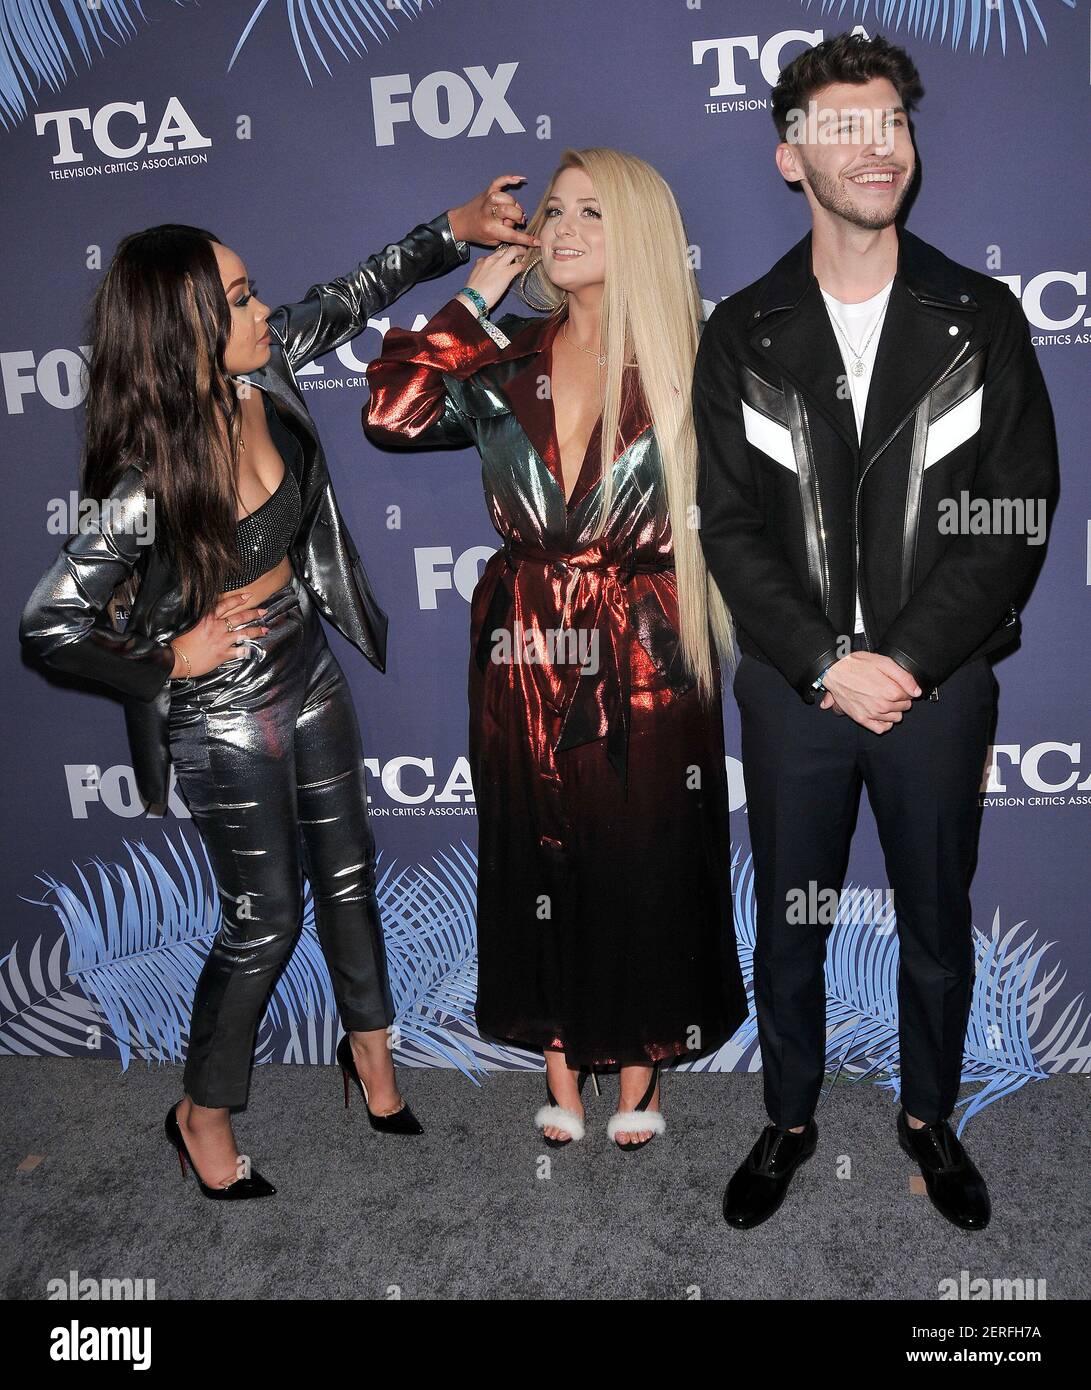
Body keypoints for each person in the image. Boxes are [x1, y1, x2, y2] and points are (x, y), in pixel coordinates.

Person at [19, 178, 537, 1198]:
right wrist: (170, 658)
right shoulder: (150, 481)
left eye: (256, 297)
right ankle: (199, 1111)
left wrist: (452, 231)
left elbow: (352, 293)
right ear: (189, 338)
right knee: (265, 917)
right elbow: (47, 623)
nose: (266, 313)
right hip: (220, 709)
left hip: (305, 660)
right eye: (245, 302)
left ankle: (372, 1059)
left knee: (348, 868)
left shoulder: (265, 373)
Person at [692, 33, 1058, 1229]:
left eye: (890, 122)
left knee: (933, 920)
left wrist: (898, 663)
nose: (876, 146)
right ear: (788, 153)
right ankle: (786, 1115)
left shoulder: (978, 316)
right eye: (843, 126)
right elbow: (729, 526)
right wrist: (821, 664)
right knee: (790, 917)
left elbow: (1012, 518)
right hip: (793, 693)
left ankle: (927, 1116)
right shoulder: (744, 330)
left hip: (934, 691)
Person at [365, 150, 748, 1150]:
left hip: (643, 635)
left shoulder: (696, 357)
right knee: (534, 838)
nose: (564, 226)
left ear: (641, 233)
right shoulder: (503, 354)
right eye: (553, 210)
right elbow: (391, 413)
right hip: (524, 634)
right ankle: (554, 1056)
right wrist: (472, 298)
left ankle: (637, 1065)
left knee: (642, 851)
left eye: (593, 211)